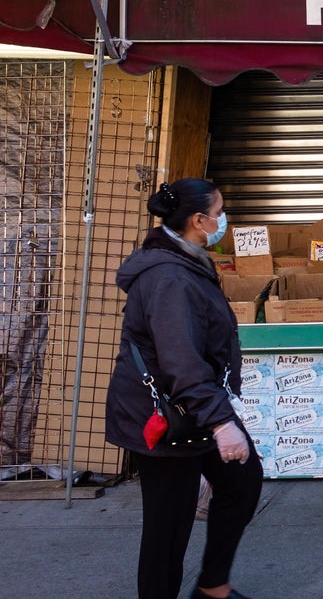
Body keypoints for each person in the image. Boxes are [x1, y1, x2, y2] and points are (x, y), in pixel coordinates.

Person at [106, 179, 262, 599]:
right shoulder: (170, 277)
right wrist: (223, 423)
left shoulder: (187, 259)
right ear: (198, 221)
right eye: (220, 211)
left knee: (242, 483)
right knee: (167, 527)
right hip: (166, 416)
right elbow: (181, 360)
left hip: (193, 407)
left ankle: (213, 588)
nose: (223, 220)